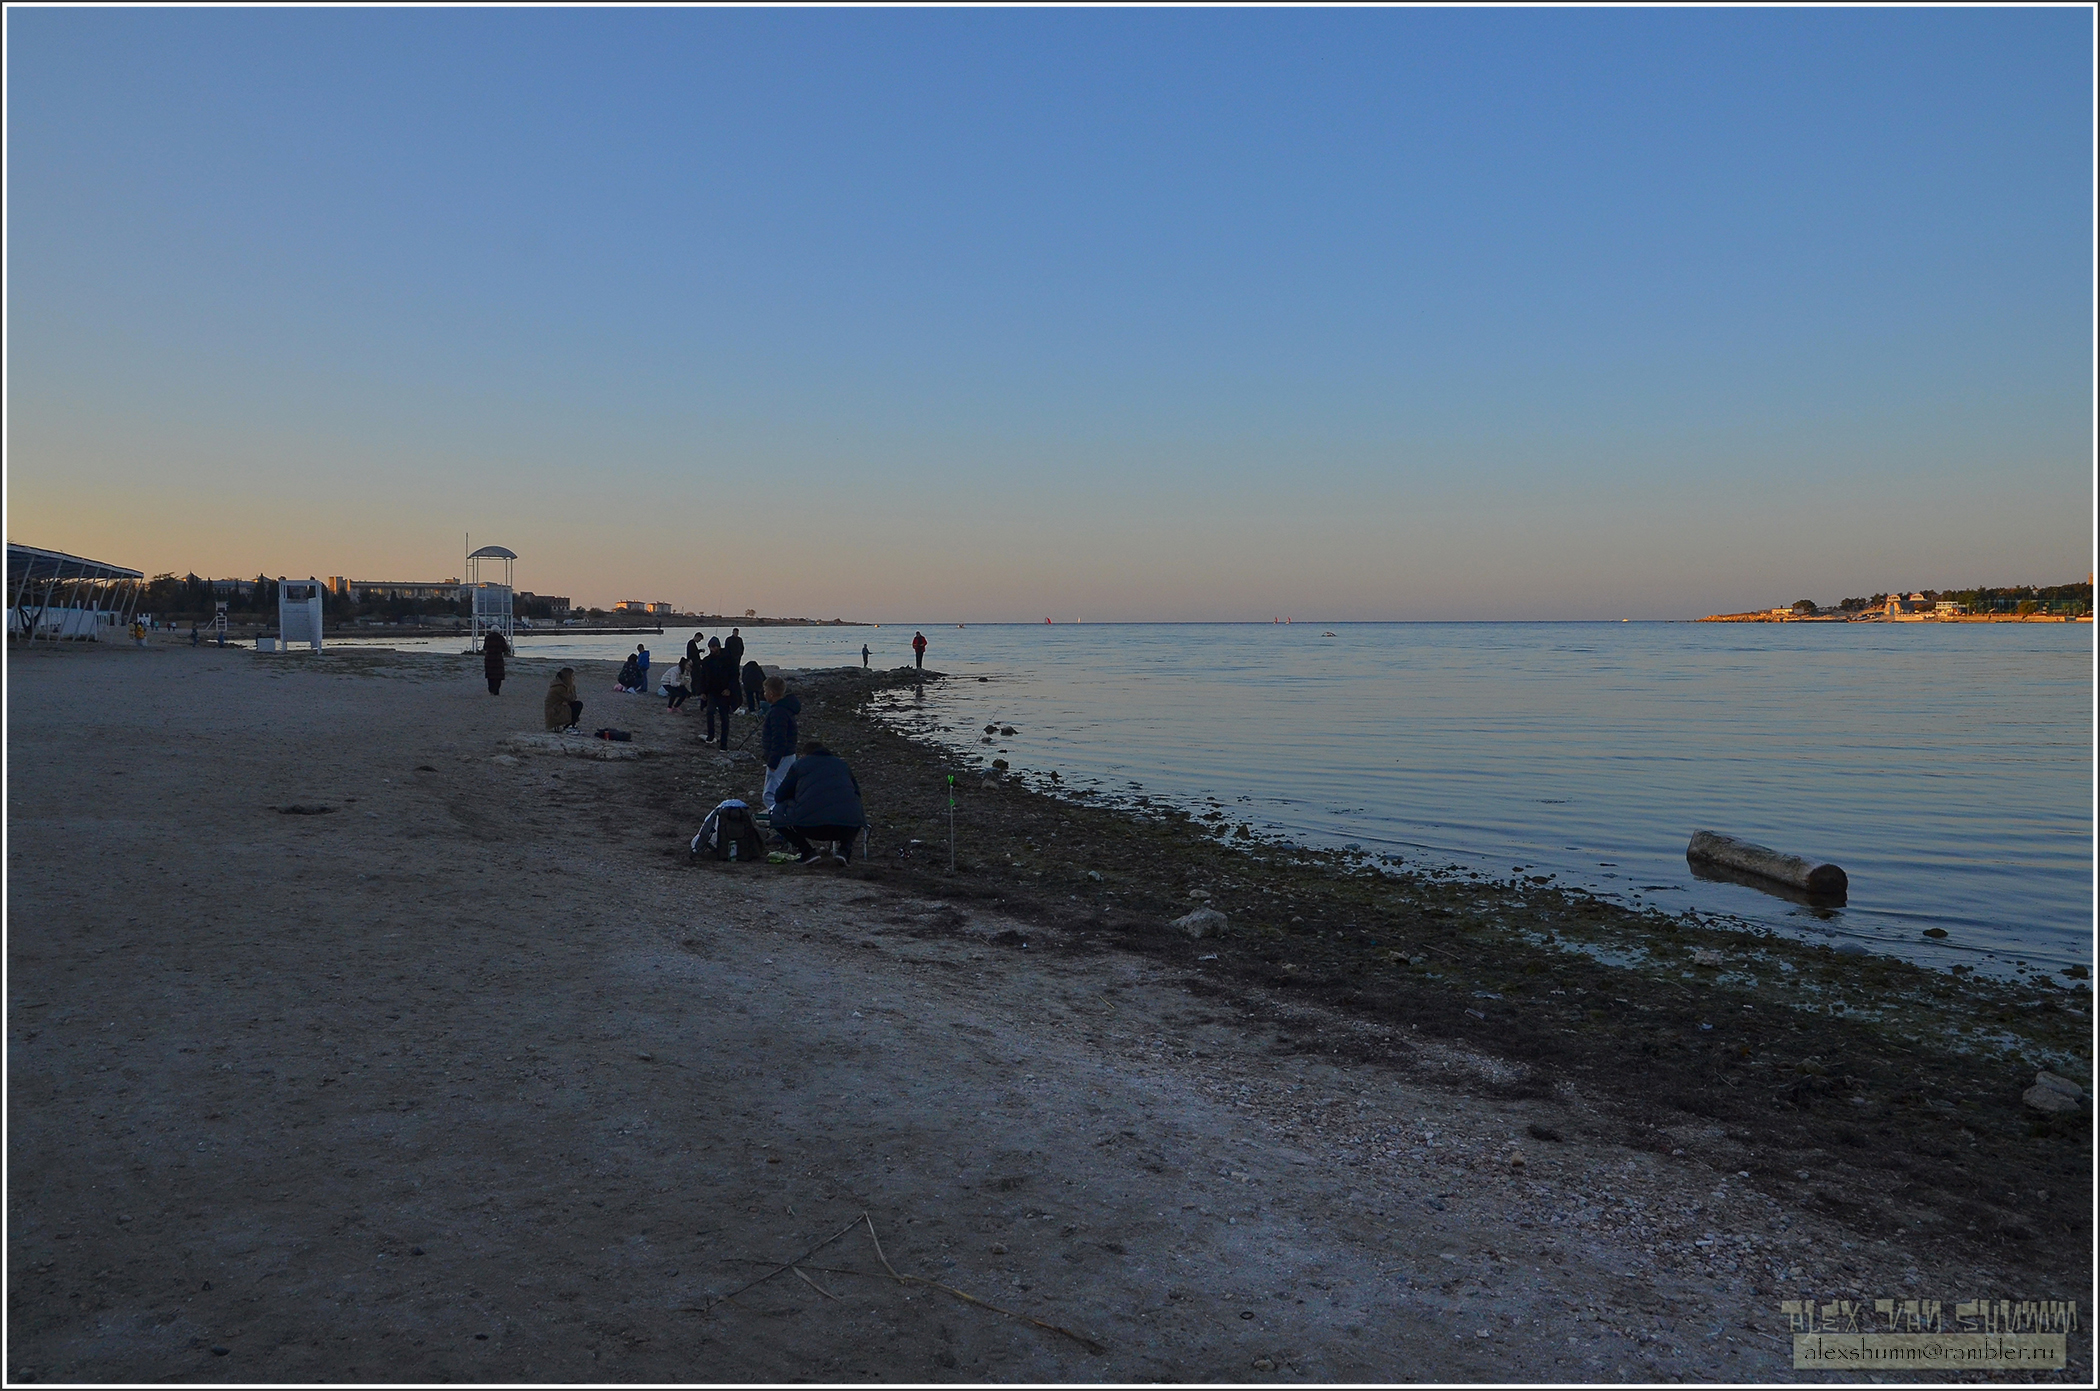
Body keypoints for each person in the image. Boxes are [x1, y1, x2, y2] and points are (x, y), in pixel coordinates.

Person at [772, 739, 865, 865]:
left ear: (805, 754)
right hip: (846, 827)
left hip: (809, 827)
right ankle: (844, 850)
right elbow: (857, 794)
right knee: (854, 810)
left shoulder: (799, 765)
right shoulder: (842, 765)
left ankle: (807, 852)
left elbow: (779, 796)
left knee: (776, 812)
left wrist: (797, 797)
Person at [760, 676, 800, 811]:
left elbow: (779, 739)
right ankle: (782, 814)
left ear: (771, 693)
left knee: (770, 794)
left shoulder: (778, 712)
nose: (764, 694)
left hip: (781, 756)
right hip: (786, 755)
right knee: (780, 789)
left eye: (765, 691)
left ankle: (779, 816)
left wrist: (773, 762)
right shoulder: (783, 709)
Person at [696, 638, 738, 749]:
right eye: (710, 647)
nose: (712, 649)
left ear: (718, 646)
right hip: (712, 692)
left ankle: (723, 744)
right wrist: (702, 691)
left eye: (714, 647)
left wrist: (729, 689)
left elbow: (734, 676)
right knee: (709, 712)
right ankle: (710, 736)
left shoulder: (728, 659)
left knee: (724, 717)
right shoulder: (707, 660)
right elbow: (703, 677)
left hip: (724, 692)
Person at [482, 628, 510, 695]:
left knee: (490, 675)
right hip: (498, 658)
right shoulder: (501, 638)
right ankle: (496, 690)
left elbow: (485, 647)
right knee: (498, 675)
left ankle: (491, 689)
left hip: (489, 658)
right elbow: (505, 648)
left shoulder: (488, 637)